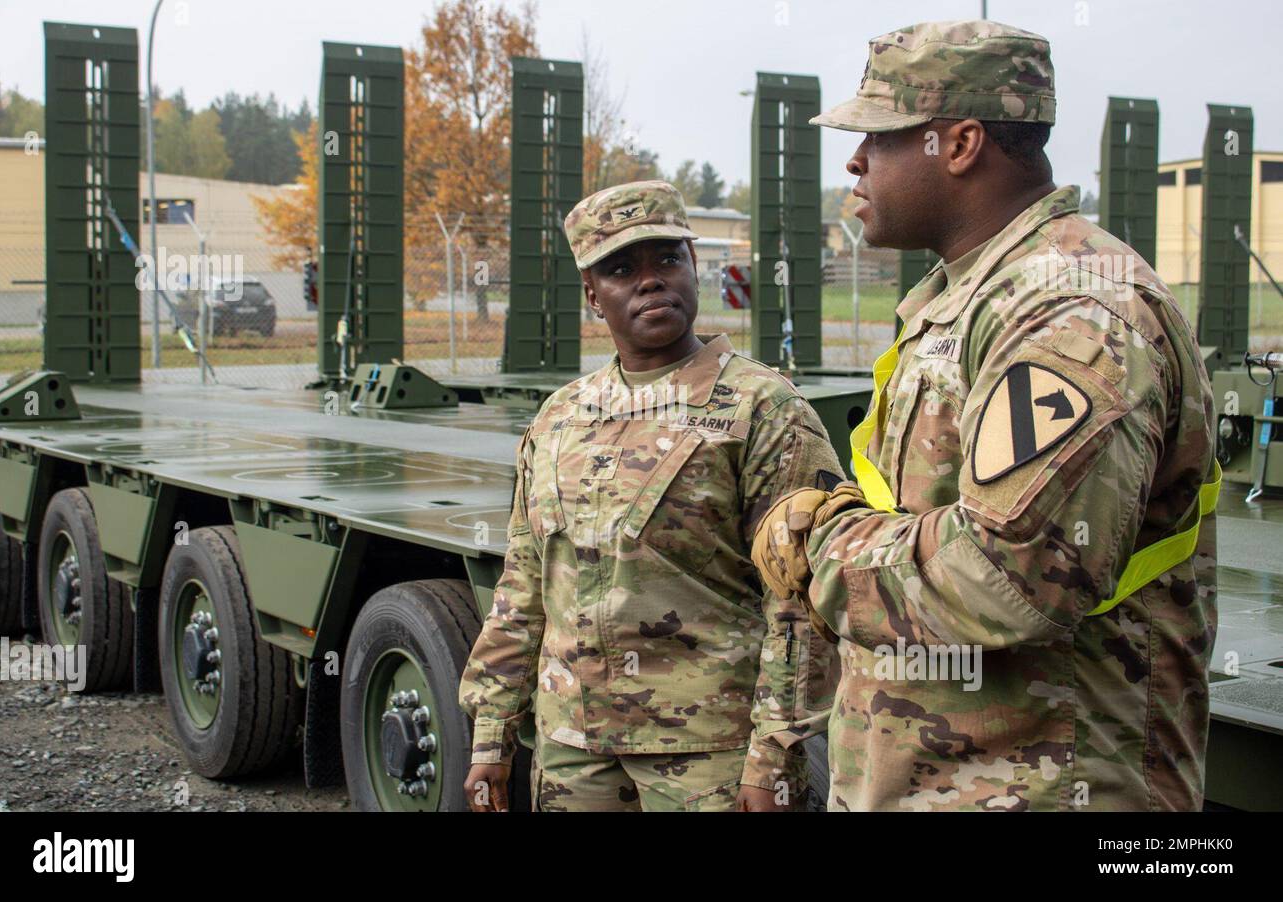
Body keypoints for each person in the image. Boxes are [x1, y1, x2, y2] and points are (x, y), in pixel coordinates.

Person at [751, 20, 1218, 811]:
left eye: (879, 137)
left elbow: (1011, 574)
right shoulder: (974, 295)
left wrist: (818, 542)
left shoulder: (1072, 308)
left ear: (960, 144)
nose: (855, 161)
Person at [460, 180, 843, 811]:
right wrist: (492, 732)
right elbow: (525, 584)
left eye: (668, 259)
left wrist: (775, 751)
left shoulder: (764, 409)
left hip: (709, 752)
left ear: (695, 269)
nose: (650, 281)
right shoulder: (559, 419)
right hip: (572, 749)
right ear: (592, 295)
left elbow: (801, 601)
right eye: (620, 269)